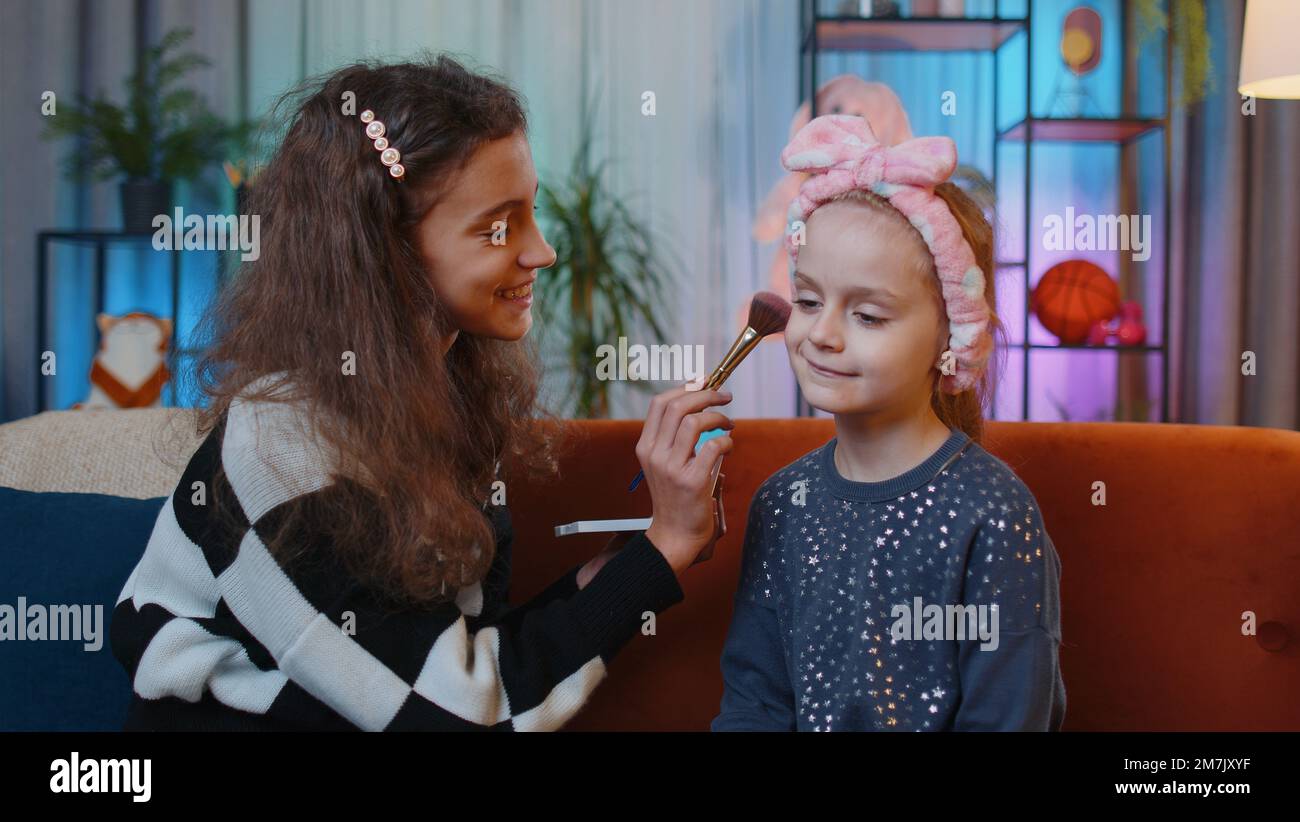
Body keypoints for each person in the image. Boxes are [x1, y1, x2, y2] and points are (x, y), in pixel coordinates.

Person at [109, 54, 732, 731]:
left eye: (533, 213)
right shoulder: (284, 450)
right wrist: (661, 553)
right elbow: (457, 716)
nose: (543, 251)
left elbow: (448, 663)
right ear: (387, 255)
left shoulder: (439, 399)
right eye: (500, 226)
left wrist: (632, 560)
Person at [711, 115, 1066, 731]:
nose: (821, 334)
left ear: (949, 337)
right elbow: (755, 702)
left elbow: (1006, 718)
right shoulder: (781, 504)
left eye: (869, 316)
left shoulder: (995, 514)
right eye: (808, 301)